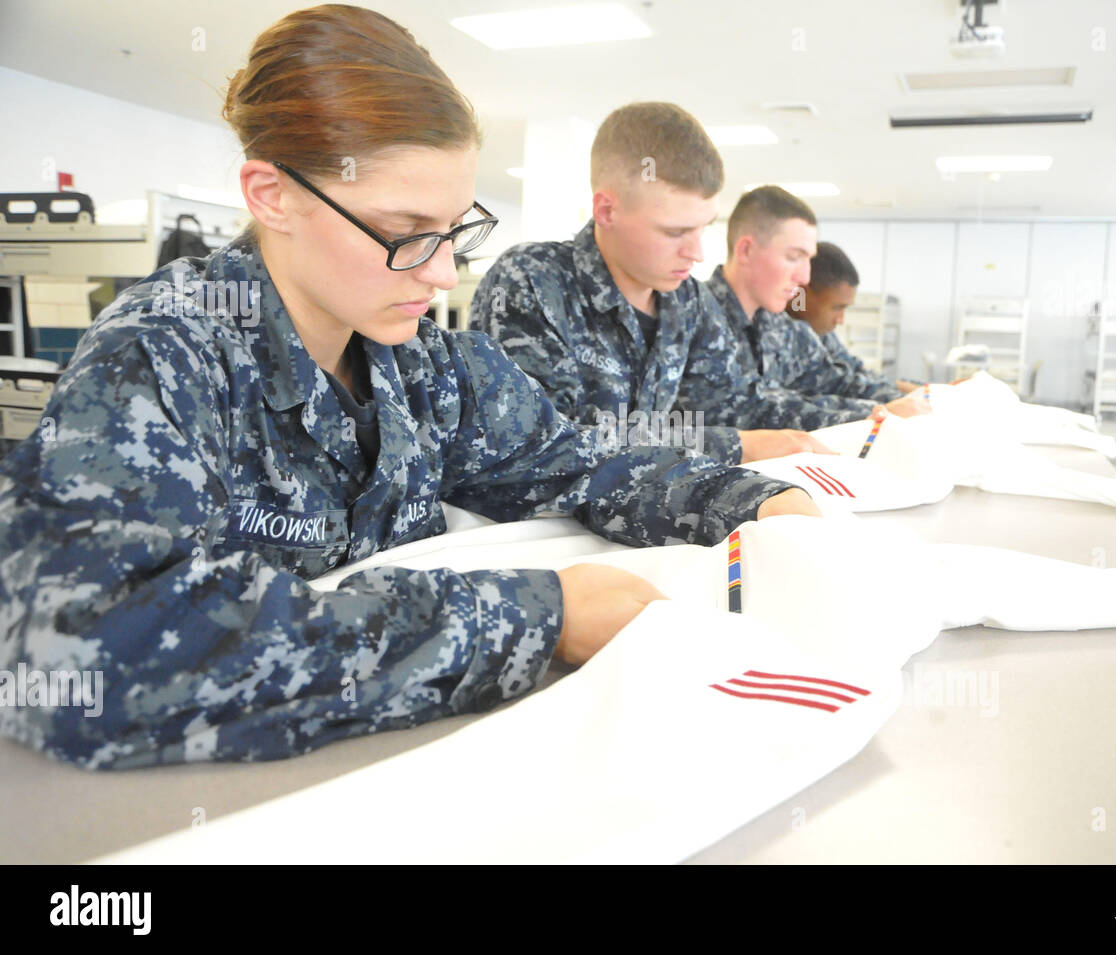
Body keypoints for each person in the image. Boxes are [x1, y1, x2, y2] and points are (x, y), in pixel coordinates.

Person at [0, 4, 816, 771]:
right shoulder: (164, 358)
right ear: (271, 194)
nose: (441, 271)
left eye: (455, 229)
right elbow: (90, 654)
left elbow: (581, 461)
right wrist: (536, 616)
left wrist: (754, 502)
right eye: (402, 234)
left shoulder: (426, 364)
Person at [470, 102, 873, 467]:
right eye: (675, 231)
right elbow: (548, 445)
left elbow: (736, 406)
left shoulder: (688, 302)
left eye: (702, 229)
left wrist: (864, 419)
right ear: (607, 210)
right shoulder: (531, 282)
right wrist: (738, 446)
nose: (697, 253)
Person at [707, 187, 926, 414]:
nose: (804, 278)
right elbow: (744, 414)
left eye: (807, 260)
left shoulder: (779, 324)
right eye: (793, 257)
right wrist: (875, 412)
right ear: (746, 250)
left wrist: (901, 400)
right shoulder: (697, 318)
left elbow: (833, 380)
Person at [789, 241, 923, 397]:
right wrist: (899, 399)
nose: (841, 320)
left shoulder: (820, 333)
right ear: (801, 294)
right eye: (837, 308)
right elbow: (841, 385)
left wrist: (921, 389)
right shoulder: (779, 331)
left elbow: (854, 371)